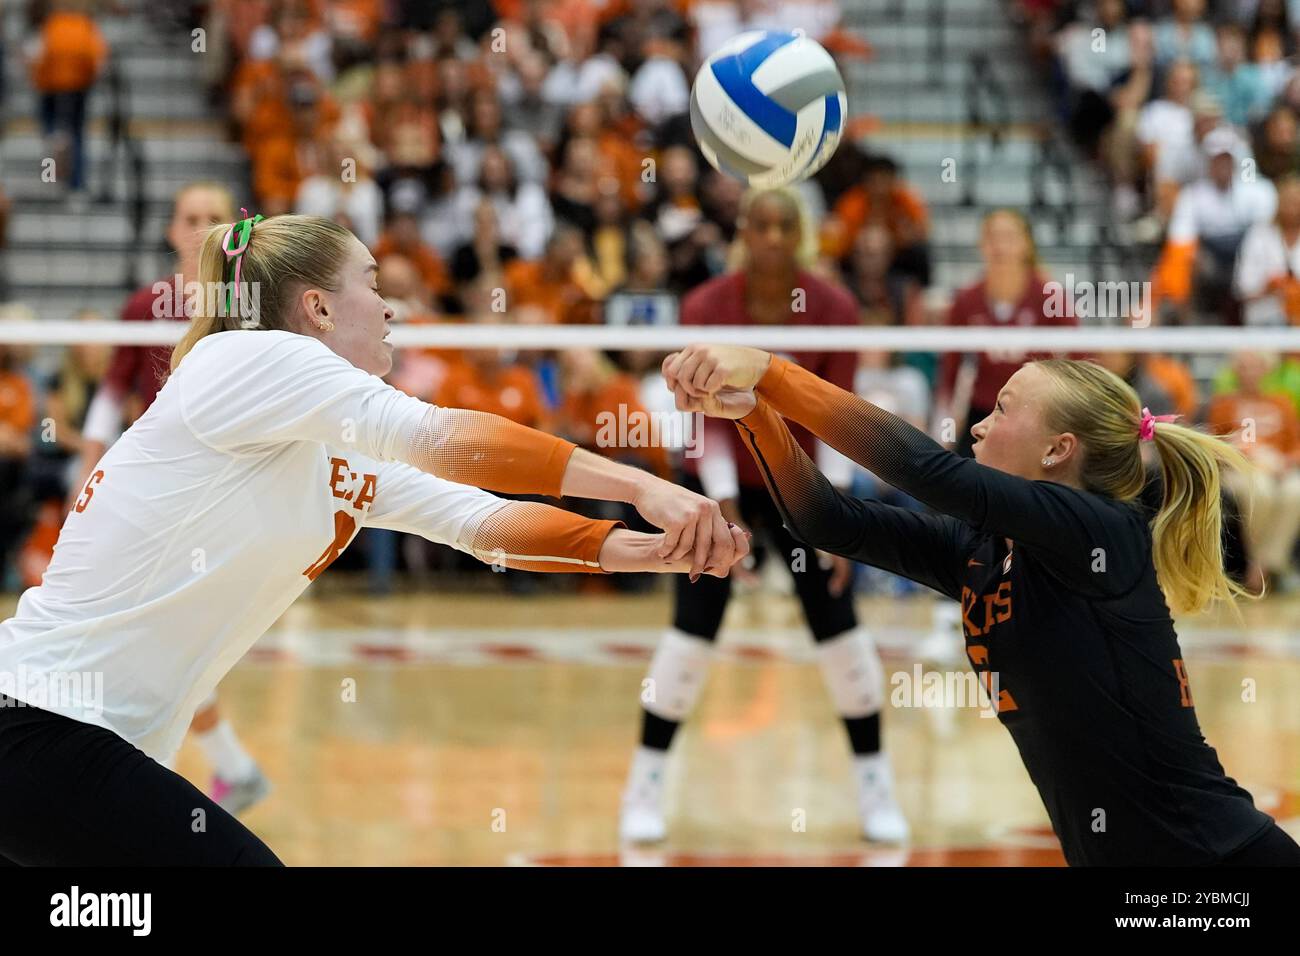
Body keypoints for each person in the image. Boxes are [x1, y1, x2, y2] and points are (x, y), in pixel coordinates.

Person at [0, 214, 748, 866]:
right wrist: (645, 487)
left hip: (67, 745)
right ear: (318, 307)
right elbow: (447, 438)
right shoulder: (253, 358)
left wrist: (647, 548)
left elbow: (480, 523)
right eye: (372, 283)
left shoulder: (337, 444)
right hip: (41, 726)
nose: (391, 306)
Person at [661, 342, 1300, 866]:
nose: (978, 424)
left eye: (1002, 409)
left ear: (1058, 449)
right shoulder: (984, 546)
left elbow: (928, 471)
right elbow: (824, 520)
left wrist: (775, 373)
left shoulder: (1101, 528)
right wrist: (752, 412)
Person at [619, 188, 906, 845]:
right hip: (718, 478)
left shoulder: (832, 308)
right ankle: (645, 783)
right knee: (693, 627)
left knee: (838, 625)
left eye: (786, 225)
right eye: (761, 224)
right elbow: (698, 416)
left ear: (801, 234)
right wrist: (718, 502)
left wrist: (834, 515)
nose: (773, 236)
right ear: (744, 231)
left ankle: (874, 784)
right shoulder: (706, 306)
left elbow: (836, 414)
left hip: (800, 480)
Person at [70, 181, 271, 814]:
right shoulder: (143, 306)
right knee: (164, 639)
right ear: (170, 229)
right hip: (158, 498)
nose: (203, 227)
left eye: (216, 217)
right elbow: (112, 389)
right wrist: (87, 463)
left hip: (230, 495)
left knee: (171, 640)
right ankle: (220, 772)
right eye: (192, 217)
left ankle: (172, 780)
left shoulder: (253, 305)